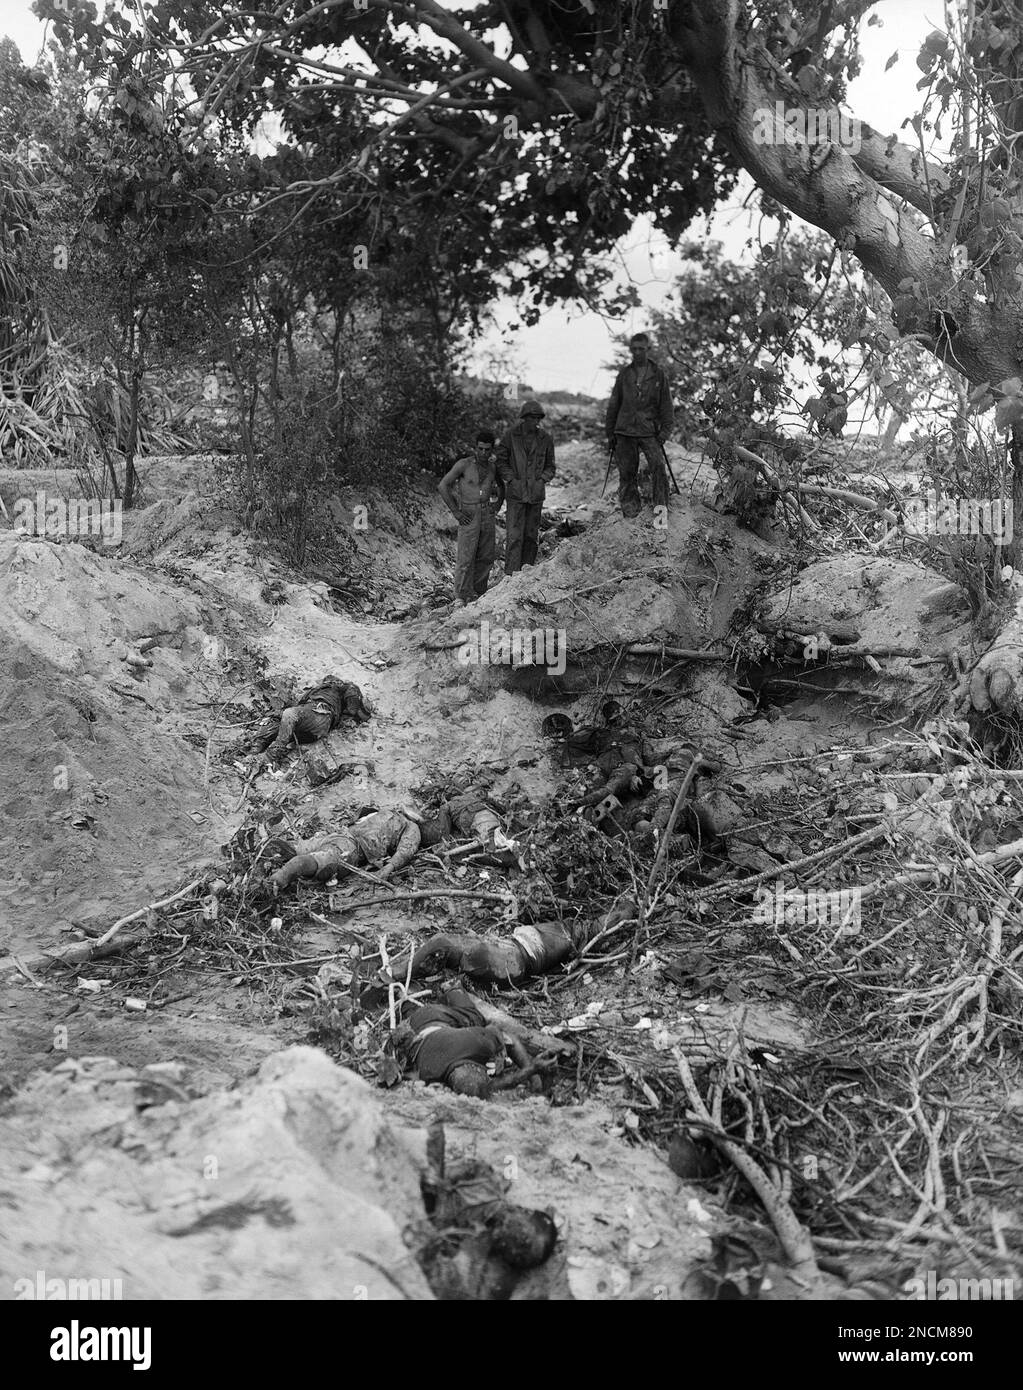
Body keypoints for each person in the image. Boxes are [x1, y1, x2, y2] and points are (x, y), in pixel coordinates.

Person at [605, 332, 675, 519]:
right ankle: (630, 513)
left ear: (648, 349)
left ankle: (660, 513)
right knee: (627, 473)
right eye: (634, 349)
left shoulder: (658, 374)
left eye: (641, 349)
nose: (637, 352)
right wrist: (610, 434)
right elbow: (614, 405)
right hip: (625, 430)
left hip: (648, 430)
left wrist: (665, 432)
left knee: (659, 467)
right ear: (631, 350)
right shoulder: (624, 375)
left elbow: (666, 407)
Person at [271, 807, 421, 891]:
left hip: (342, 839)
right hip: (346, 844)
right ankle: (277, 878)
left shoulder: (410, 826)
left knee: (298, 853)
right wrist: (386, 869)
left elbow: (405, 851)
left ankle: (276, 875)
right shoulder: (394, 815)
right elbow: (405, 850)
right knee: (300, 857)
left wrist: (387, 869)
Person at [438, 430, 505, 605]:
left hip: (487, 514)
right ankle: (461, 595)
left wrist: (497, 505)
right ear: (475, 447)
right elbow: (443, 486)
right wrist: (456, 512)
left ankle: (479, 593)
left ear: (492, 450)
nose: (483, 453)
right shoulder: (464, 465)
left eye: (487, 450)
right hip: (468, 513)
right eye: (480, 449)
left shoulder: (492, 467)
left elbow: (501, 486)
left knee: (486, 556)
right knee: (466, 556)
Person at [247, 677, 371, 765]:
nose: (330, 682)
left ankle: (272, 755)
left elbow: (355, 709)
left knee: (289, 714)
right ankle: (254, 754)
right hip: (311, 727)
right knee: (275, 727)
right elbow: (299, 708)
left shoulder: (345, 689)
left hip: (321, 716)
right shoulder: (316, 691)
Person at [496, 399, 556, 574]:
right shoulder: (511, 436)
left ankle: (526, 573)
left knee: (531, 536)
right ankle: (511, 575)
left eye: (538, 418)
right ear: (524, 418)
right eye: (532, 418)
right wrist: (511, 479)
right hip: (516, 494)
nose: (536, 422)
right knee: (514, 536)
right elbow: (501, 460)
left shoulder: (546, 438)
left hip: (536, 495)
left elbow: (551, 466)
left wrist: (542, 479)